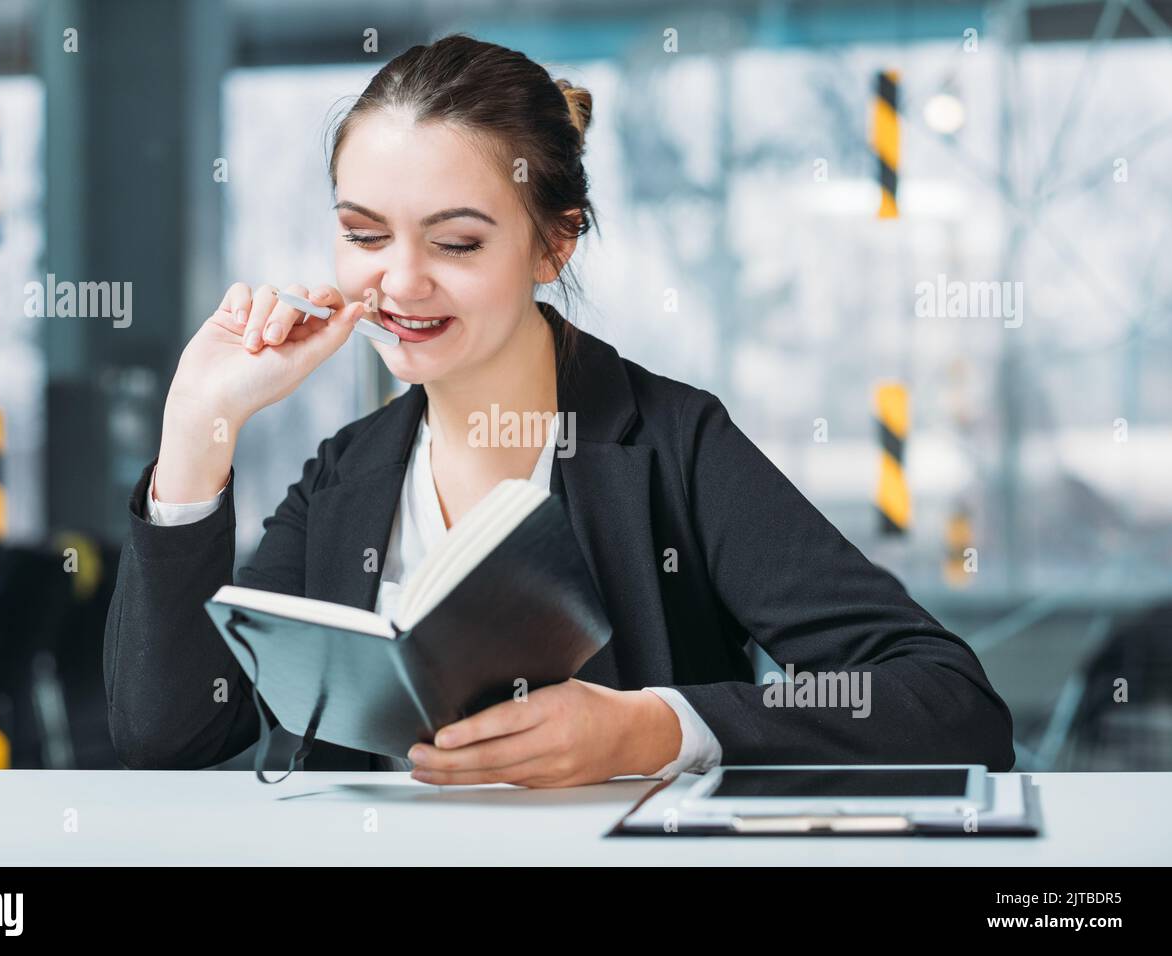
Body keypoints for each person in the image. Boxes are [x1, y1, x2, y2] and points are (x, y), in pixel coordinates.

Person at [103, 33, 1015, 786]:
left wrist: (654, 729)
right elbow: (171, 734)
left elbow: (946, 701)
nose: (401, 280)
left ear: (554, 242)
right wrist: (198, 429)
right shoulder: (348, 474)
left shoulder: (672, 446)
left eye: (457, 240)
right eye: (363, 234)